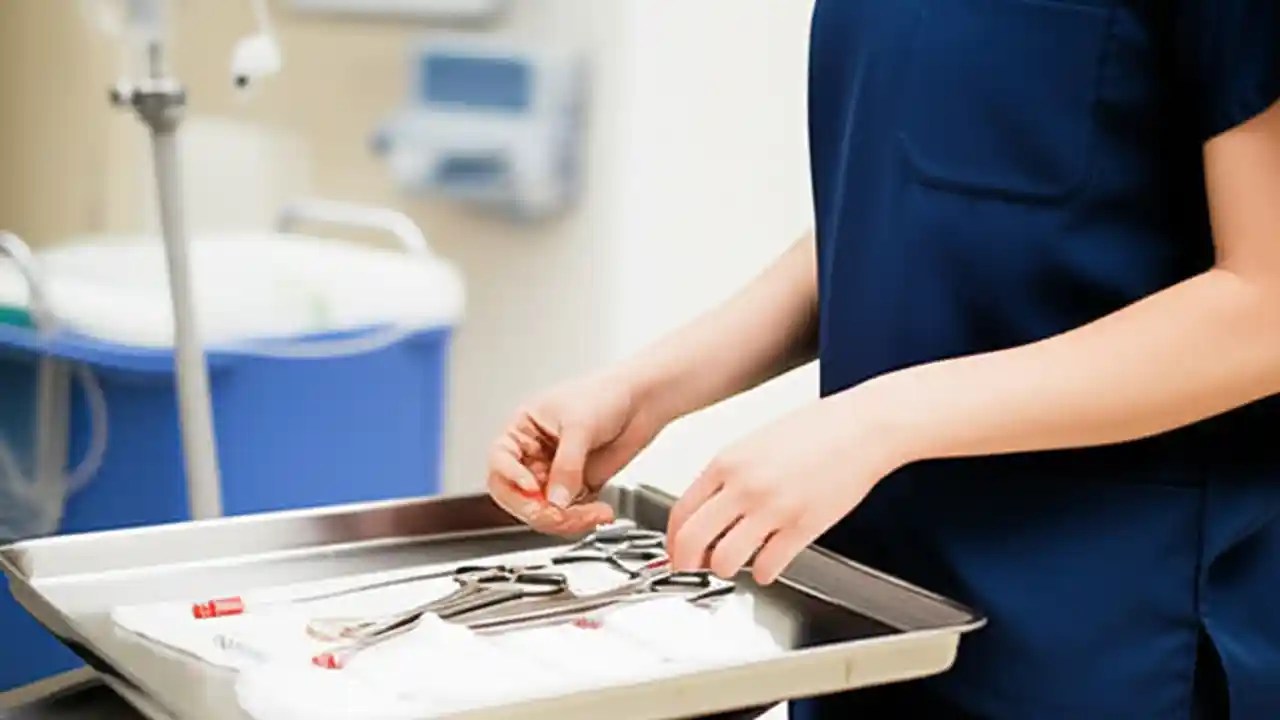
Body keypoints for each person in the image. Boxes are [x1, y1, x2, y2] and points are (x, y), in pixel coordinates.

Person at [486, 1, 1280, 717]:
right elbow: (924, 205)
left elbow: (1265, 309)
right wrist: (652, 387)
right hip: (867, 613)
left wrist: (875, 424)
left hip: (1109, 636)